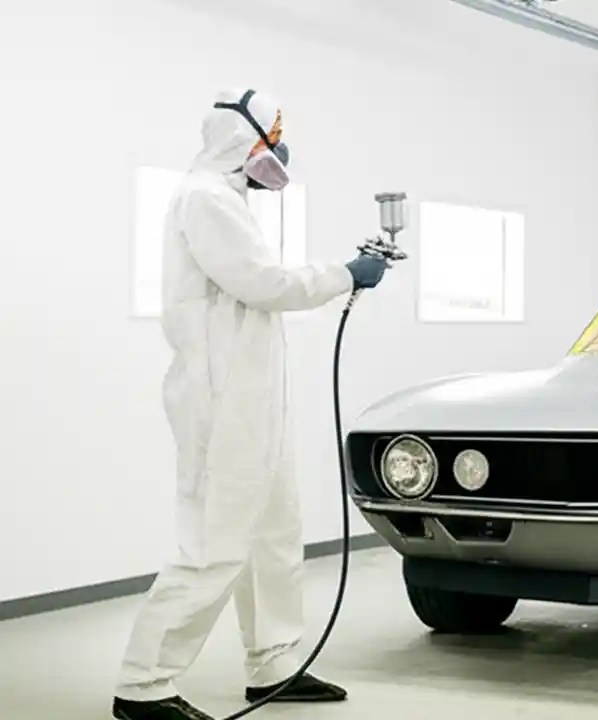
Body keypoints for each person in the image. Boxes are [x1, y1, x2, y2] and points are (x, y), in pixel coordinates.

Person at [111, 88, 390, 720]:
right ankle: (143, 685)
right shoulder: (206, 198)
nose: (282, 150)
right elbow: (262, 284)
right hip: (221, 401)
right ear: (245, 141)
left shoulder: (227, 199)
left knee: (274, 533)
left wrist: (343, 272)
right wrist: (345, 273)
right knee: (213, 545)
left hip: (252, 396)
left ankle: (274, 663)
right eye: (275, 136)